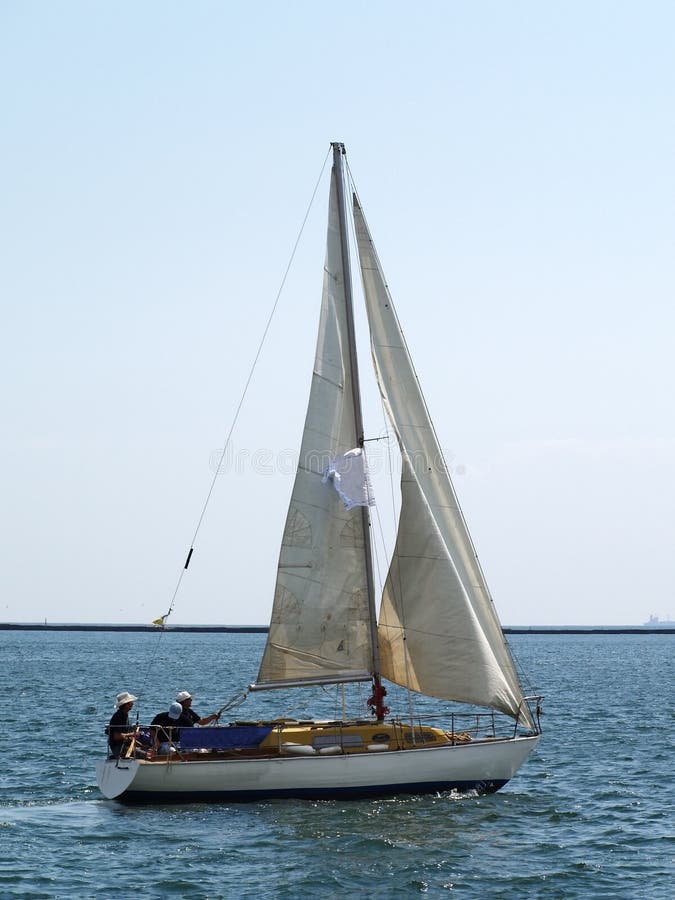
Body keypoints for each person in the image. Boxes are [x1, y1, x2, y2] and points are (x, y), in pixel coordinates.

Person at [107, 691, 138, 757]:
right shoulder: (119, 716)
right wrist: (132, 734)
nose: (132, 704)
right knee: (148, 754)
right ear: (126, 704)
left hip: (124, 745)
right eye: (131, 703)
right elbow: (117, 736)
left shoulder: (124, 714)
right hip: (119, 748)